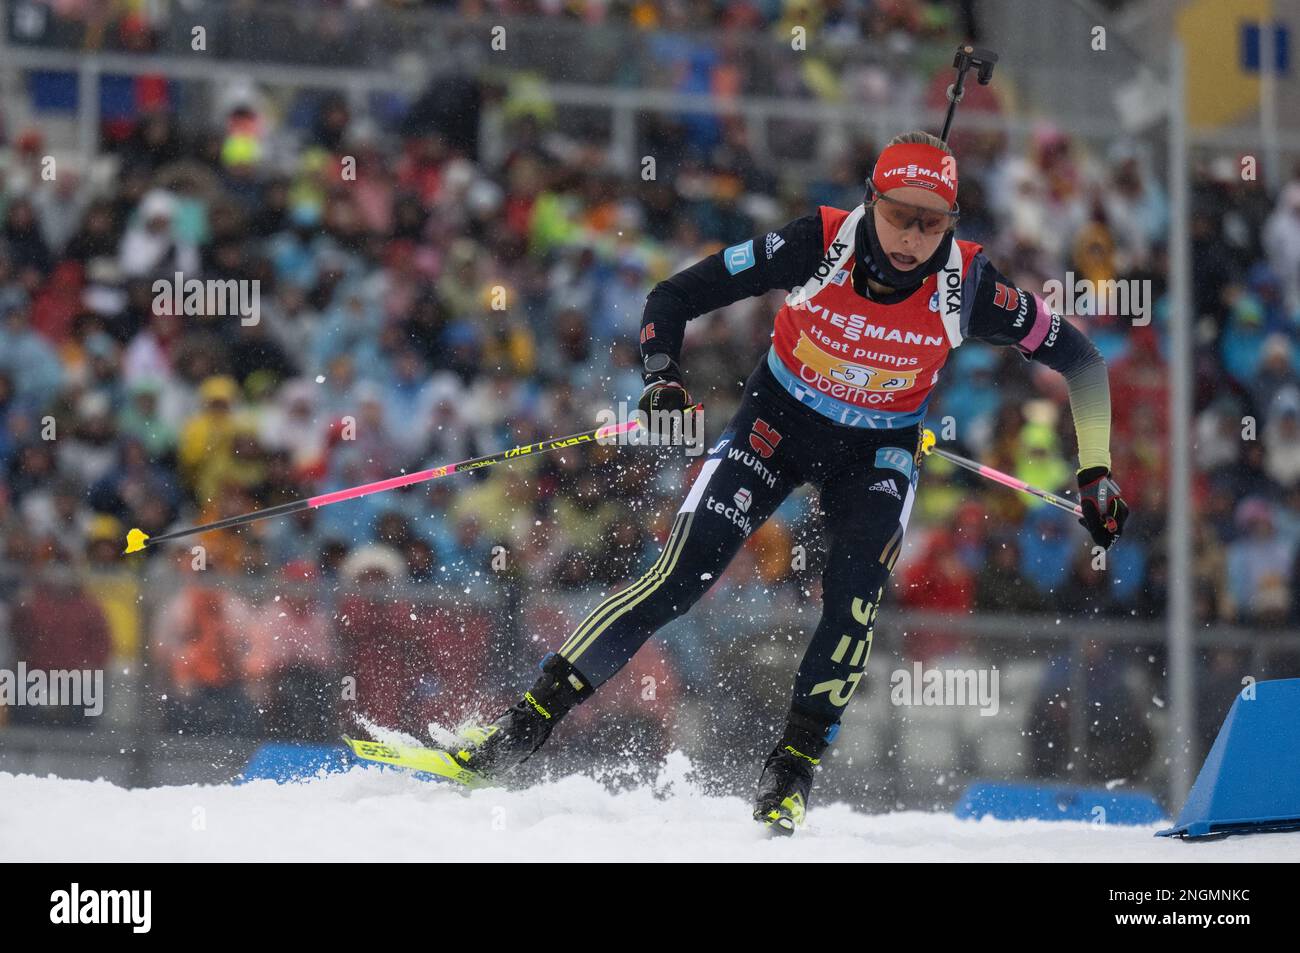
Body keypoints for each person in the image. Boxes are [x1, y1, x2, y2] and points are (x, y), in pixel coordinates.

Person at [446, 131, 1130, 834]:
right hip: (772, 429)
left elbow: (1081, 359)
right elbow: (675, 294)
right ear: (871, 202)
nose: (911, 237)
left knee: (855, 596)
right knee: (679, 576)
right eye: (899, 215)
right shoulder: (817, 243)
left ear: (952, 224)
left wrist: (1096, 472)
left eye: (932, 223)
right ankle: (524, 724)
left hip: (876, 454)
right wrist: (662, 378)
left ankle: (792, 768)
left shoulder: (972, 285)